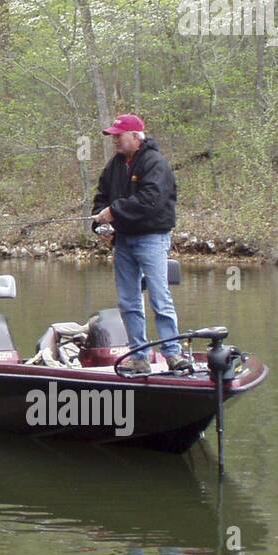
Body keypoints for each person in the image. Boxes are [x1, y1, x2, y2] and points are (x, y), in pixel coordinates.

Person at [91, 114, 185, 374]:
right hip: (123, 241)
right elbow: (101, 200)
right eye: (113, 137)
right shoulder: (114, 166)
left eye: (118, 136)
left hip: (151, 238)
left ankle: (172, 353)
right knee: (128, 301)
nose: (115, 141)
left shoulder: (155, 163)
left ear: (135, 136)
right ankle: (139, 356)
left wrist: (114, 211)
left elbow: (150, 200)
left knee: (159, 296)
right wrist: (101, 226)